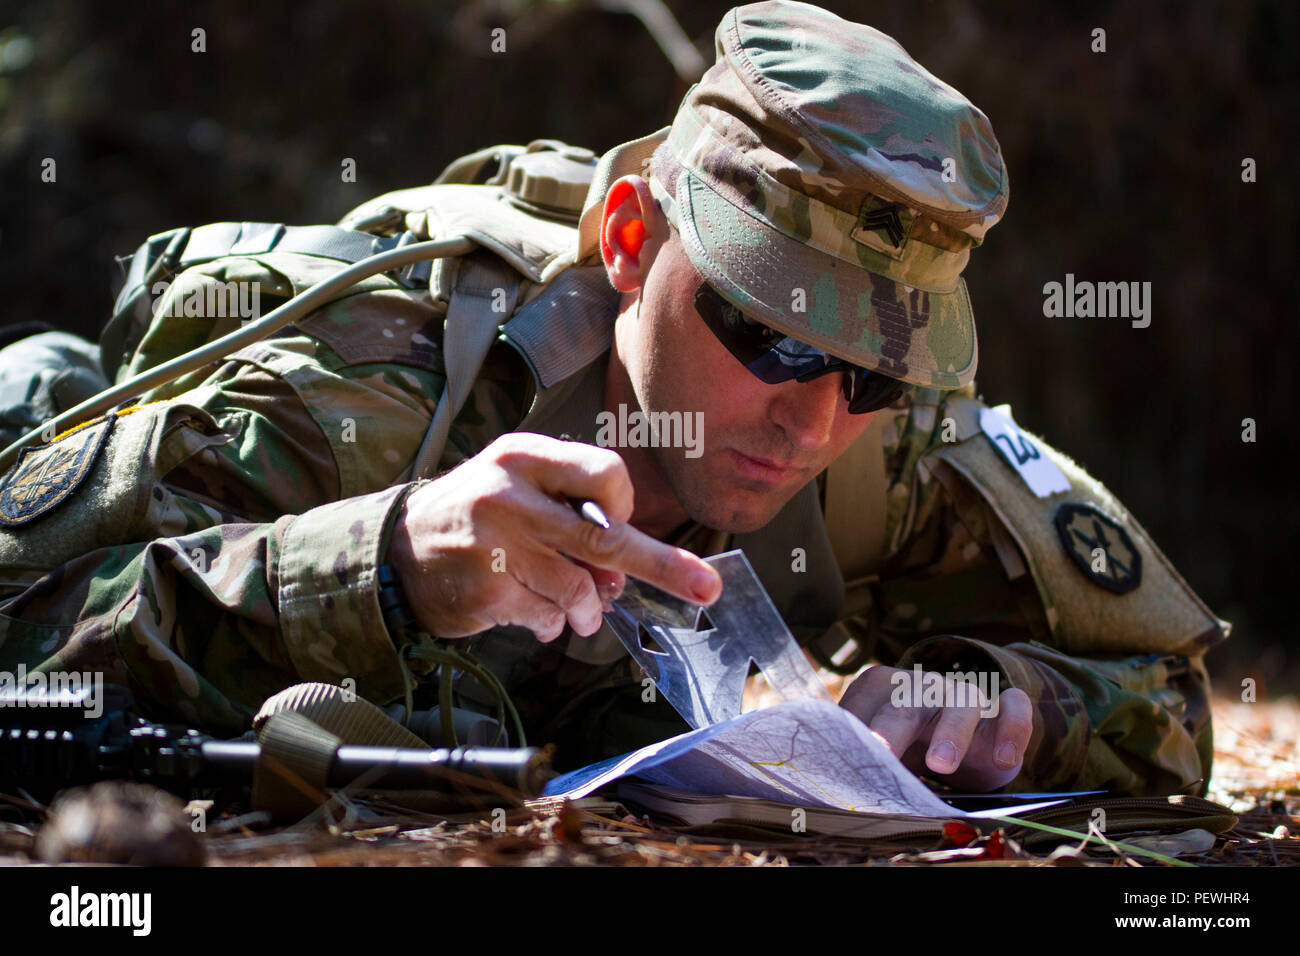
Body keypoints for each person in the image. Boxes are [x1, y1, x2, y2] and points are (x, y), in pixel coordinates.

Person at [0, 1, 1228, 795]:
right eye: (771, 336)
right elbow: (24, 630)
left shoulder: (877, 450)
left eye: (874, 372)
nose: (811, 423)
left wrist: (1006, 697)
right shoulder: (369, 396)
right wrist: (378, 565)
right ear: (630, 239)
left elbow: (1170, 691)